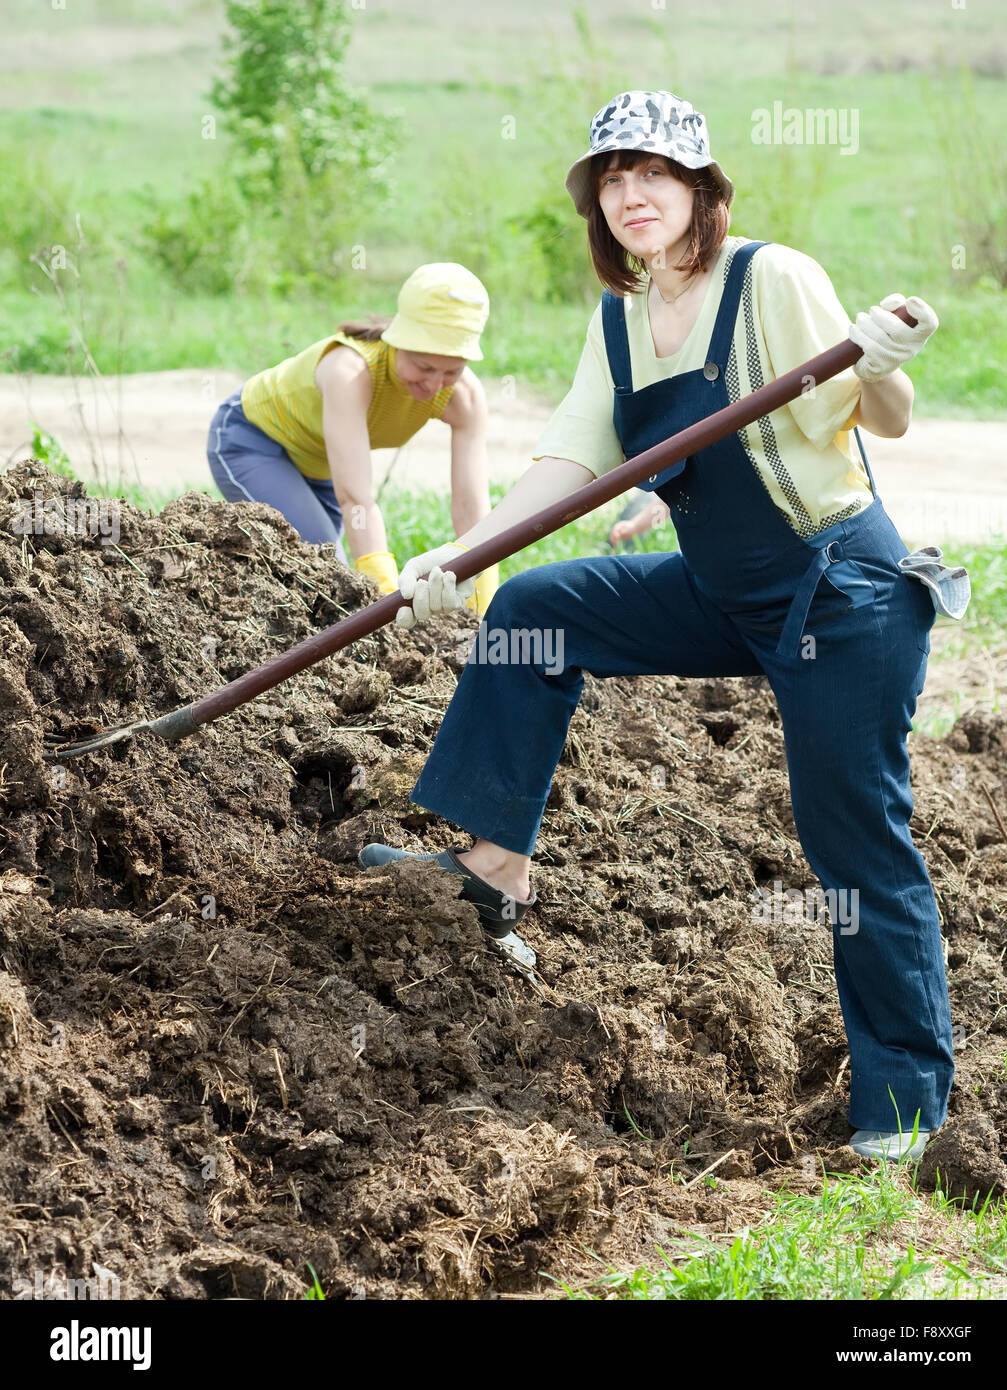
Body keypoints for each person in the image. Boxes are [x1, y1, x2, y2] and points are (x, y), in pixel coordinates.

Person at [358, 91, 953, 1164]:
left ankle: (907, 1110)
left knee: (852, 839)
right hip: (719, 591)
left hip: (841, 600)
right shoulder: (621, 321)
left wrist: (876, 360)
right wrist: (463, 551)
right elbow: (568, 462)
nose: (632, 196)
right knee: (535, 610)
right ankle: (494, 864)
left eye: (655, 175)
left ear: (699, 189)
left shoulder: (772, 277)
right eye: (613, 180)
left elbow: (888, 418)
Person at [206, 262, 499, 613]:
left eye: (453, 370)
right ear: (398, 341)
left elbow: (471, 510)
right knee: (329, 574)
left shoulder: (464, 397)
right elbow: (356, 499)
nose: (435, 385)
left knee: (323, 576)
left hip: (321, 465)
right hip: (251, 441)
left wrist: (483, 611)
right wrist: (389, 599)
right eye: (424, 368)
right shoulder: (350, 371)